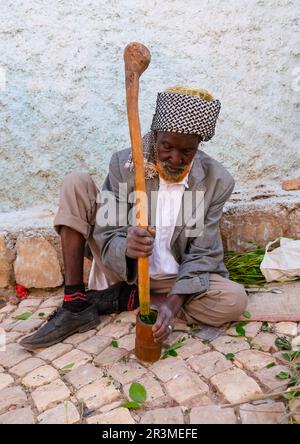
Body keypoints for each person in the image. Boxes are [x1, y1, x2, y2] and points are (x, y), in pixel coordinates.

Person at [20, 86, 248, 351]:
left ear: (199, 146)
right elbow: (106, 231)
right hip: (122, 270)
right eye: (166, 146)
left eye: (187, 151)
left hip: (174, 278)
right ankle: (75, 304)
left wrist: (172, 307)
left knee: (234, 300)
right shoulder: (125, 165)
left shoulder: (214, 181)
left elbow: (202, 255)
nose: (175, 159)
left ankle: (126, 300)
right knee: (75, 183)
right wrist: (126, 247)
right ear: (155, 136)